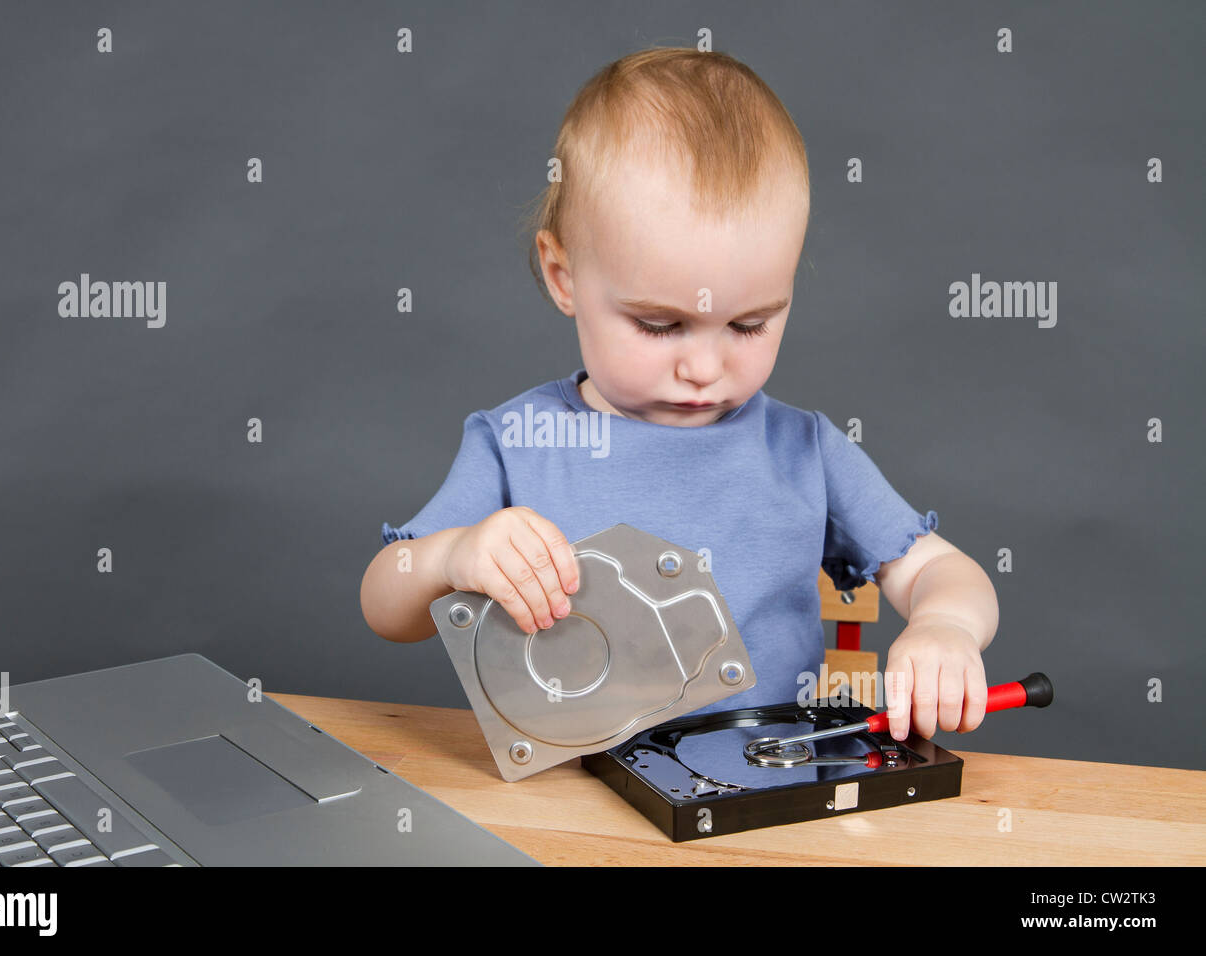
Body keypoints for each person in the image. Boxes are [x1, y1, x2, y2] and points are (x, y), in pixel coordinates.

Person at [360, 47, 998, 743]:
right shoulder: (517, 442)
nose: (704, 368)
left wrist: (944, 625)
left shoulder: (803, 450)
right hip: (573, 807)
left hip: (769, 803)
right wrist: (454, 556)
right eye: (661, 325)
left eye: (749, 324)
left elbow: (941, 569)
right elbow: (386, 602)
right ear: (563, 275)